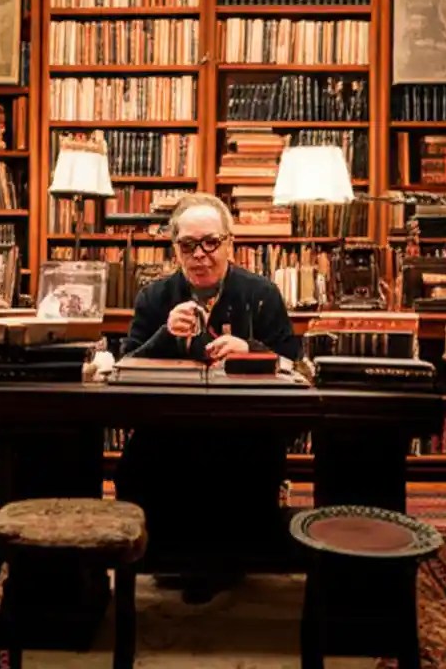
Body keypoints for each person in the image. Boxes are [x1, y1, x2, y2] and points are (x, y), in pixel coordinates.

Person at [115, 194, 301, 603]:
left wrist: (250, 349)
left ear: (230, 244)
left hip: (244, 427)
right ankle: (165, 556)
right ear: (175, 248)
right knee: (140, 464)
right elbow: (125, 366)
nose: (200, 255)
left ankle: (220, 562)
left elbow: (293, 362)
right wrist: (165, 335)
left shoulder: (262, 293)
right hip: (169, 426)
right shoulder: (154, 296)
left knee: (238, 462)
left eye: (211, 243)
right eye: (188, 245)